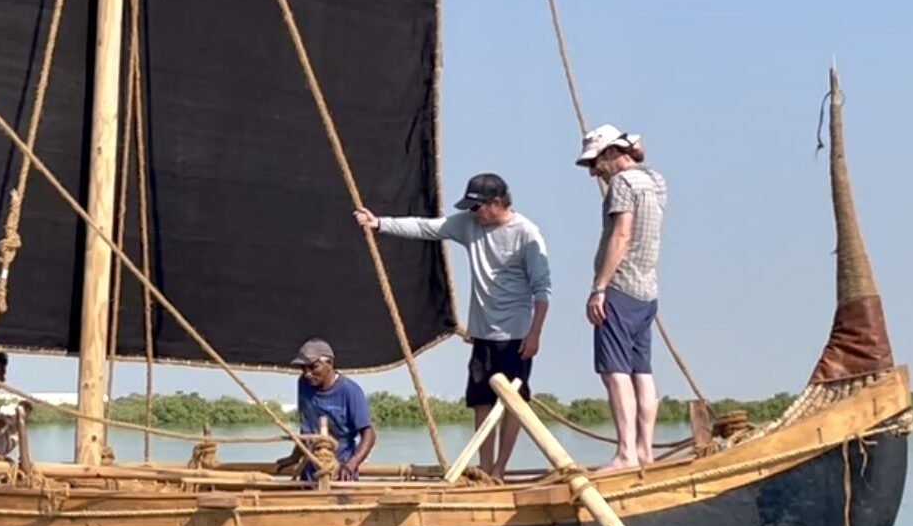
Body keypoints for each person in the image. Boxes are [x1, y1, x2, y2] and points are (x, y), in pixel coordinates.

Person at [354, 172, 551, 478]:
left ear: (496, 203)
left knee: (515, 404)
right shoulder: (468, 225)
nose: (473, 213)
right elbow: (425, 227)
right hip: (482, 335)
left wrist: (535, 333)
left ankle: (500, 468)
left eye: (477, 207)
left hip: (516, 334)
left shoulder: (527, 234)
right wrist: (379, 222)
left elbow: (542, 289)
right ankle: (486, 469)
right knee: (481, 402)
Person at [576, 124, 667, 470]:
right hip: (647, 289)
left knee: (615, 372)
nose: (593, 171)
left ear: (612, 153)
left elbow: (622, 235)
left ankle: (626, 453)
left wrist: (599, 287)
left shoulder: (623, 184)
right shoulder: (656, 181)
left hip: (621, 287)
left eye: (595, 162)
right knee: (641, 372)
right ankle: (645, 451)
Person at [273, 338, 375, 483]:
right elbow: (307, 432)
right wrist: (294, 457)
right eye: (303, 368)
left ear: (329, 364)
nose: (307, 373)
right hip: (310, 470)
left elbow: (369, 434)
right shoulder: (304, 384)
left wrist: (352, 464)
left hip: (339, 472)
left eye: (313, 367)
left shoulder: (350, 391)